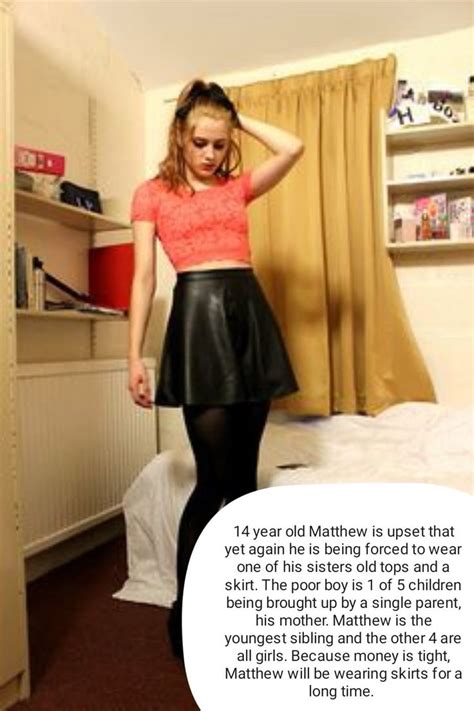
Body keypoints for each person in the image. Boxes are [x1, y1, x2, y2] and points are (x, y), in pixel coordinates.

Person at [127, 79, 304, 659]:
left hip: (247, 314)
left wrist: (235, 115)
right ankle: (188, 609)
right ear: (179, 135)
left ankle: (241, 606)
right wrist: (135, 356)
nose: (210, 153)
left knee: (245, 484)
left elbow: (293, 147)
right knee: (213, 481)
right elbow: (144, 278)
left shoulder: (237, 187)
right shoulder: (151, 194)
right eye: (200, 141)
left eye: (219, 144)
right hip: (198, 320)